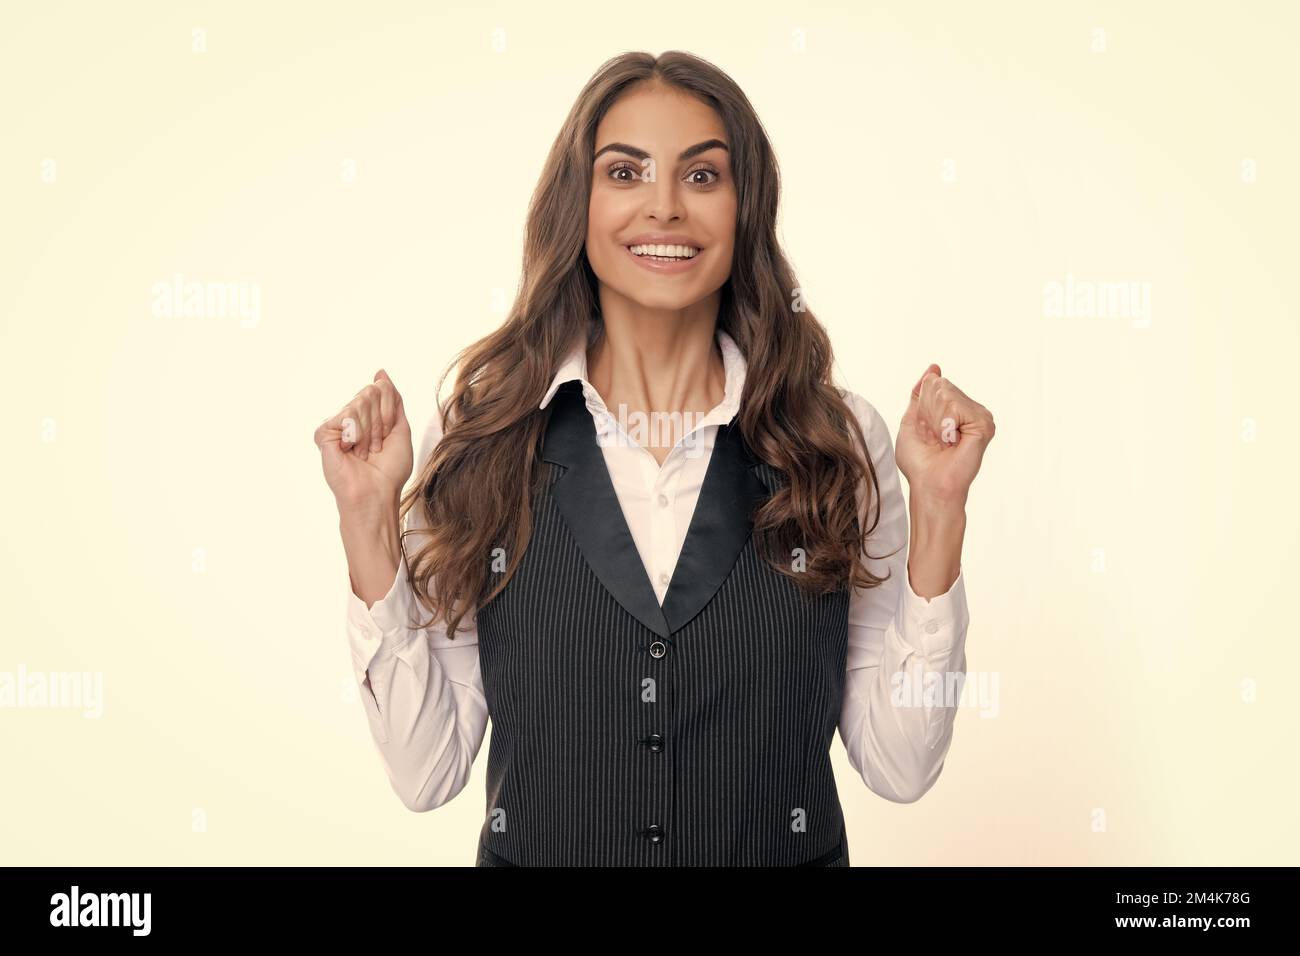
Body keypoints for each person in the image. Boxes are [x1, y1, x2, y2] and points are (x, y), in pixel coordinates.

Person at [314, 50, 995, 866]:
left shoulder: (836, 440)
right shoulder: (484, 438)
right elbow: (426, 771)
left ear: (745, 208)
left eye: (703, 177)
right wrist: (366, 521)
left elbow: (901, 764)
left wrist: (940, 509)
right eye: (626, 171)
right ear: (581, 203)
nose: (665, 207)